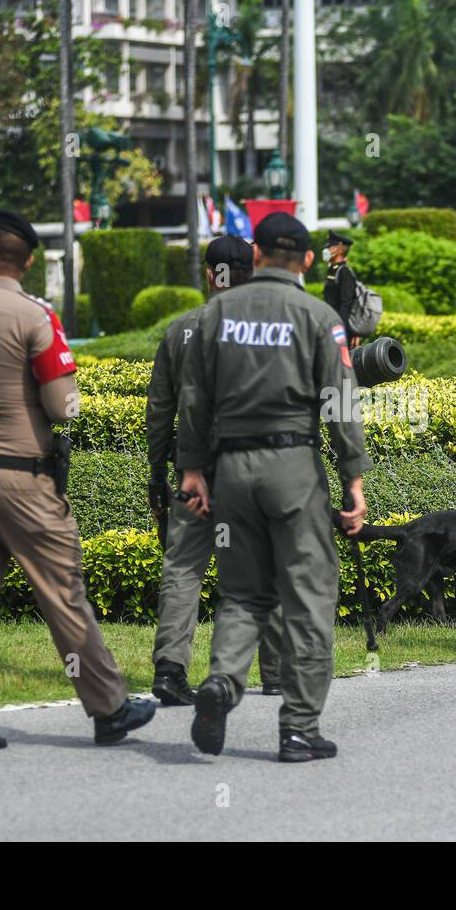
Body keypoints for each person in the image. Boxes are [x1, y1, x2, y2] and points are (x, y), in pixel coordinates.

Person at [0, 209, 156, 754]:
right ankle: (109, 708)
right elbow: (61, 406)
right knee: (61, 592)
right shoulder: (35, 316)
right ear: (27, 262)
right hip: (23, 478)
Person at [176, 211, 370, 763]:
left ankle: (222, 681)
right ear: (307, 260)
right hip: (293, 468)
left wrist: (192, 469)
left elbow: (193, 397)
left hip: (232, 470)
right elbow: (339, 400)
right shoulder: (318, 316)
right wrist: (353, 476)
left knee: (243, 593)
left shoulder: (217, 314)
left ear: (256, 254)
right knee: (307, 596)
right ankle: (299, 728)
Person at [146, 235, 286, 705]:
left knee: (183, 567)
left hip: (195, 470)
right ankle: (276, 671)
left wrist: (157, 474)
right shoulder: (272, 329)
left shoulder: (181, 330)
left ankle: (170, 669)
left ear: (210, 274)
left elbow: (159, 412)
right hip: (257, 469)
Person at [321, 229, 363, 346]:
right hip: (331, 325)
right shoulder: (333, 270)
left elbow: (346, 304)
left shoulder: (344, 272)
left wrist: (341, 330)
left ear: (338, 250)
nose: (326, 250)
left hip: (339, 329)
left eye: (329, 247)